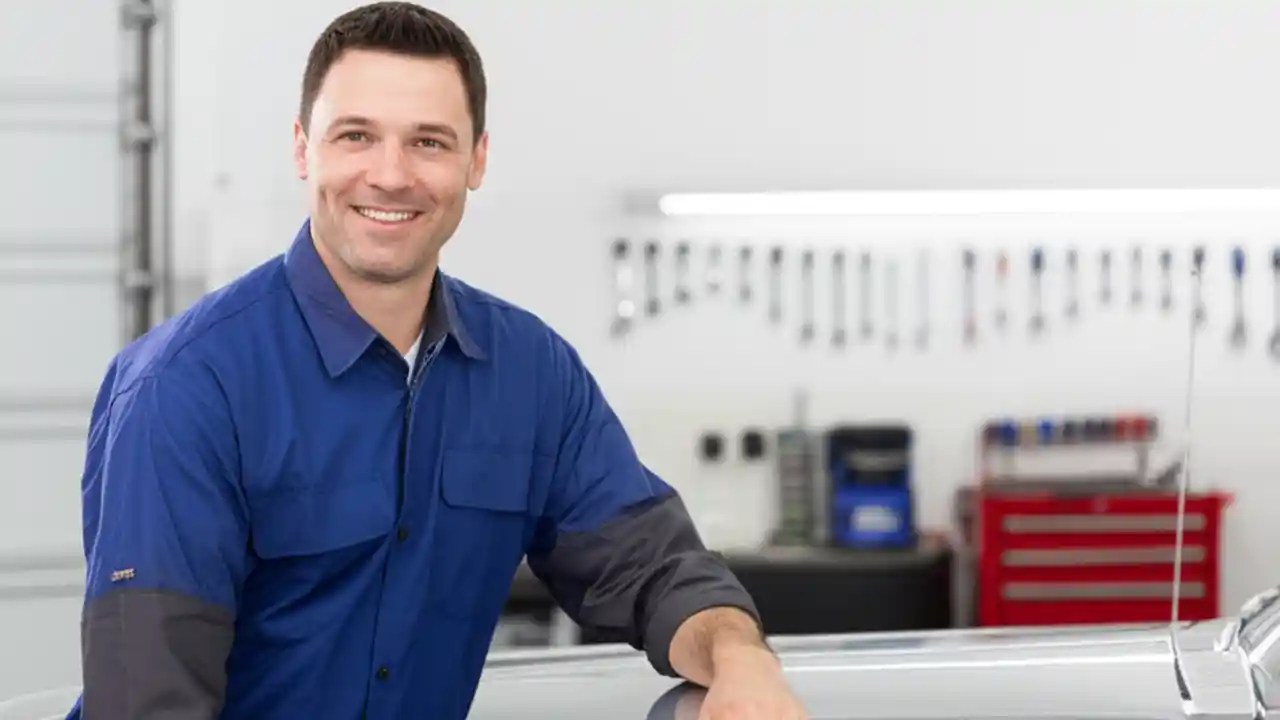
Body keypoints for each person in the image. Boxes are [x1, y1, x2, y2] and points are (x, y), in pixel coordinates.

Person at [67, 3, 807, 718]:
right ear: (302, 148)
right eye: (356, 136)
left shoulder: (530, 375)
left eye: (428, 142)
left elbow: (652, 568)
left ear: (476, 159)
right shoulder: (185, 386)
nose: (391, 175)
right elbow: (147, 701)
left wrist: (741, 659)